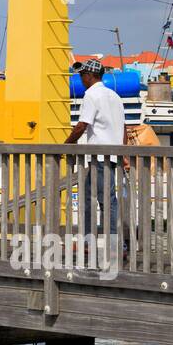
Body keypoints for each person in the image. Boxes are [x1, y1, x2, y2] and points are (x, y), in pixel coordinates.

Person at [65, 60, 127, 260]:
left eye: (82, 75)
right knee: (102, 199)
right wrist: (123, 152)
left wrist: (65, 145)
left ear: (90, 76)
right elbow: (124, 128)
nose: (81, 78)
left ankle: (109, 245)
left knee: (103, 201)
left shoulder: (91, 95)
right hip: (113, 155)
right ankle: (97, 243)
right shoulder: (115, 96)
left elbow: (82, 125)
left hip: (99, 156)